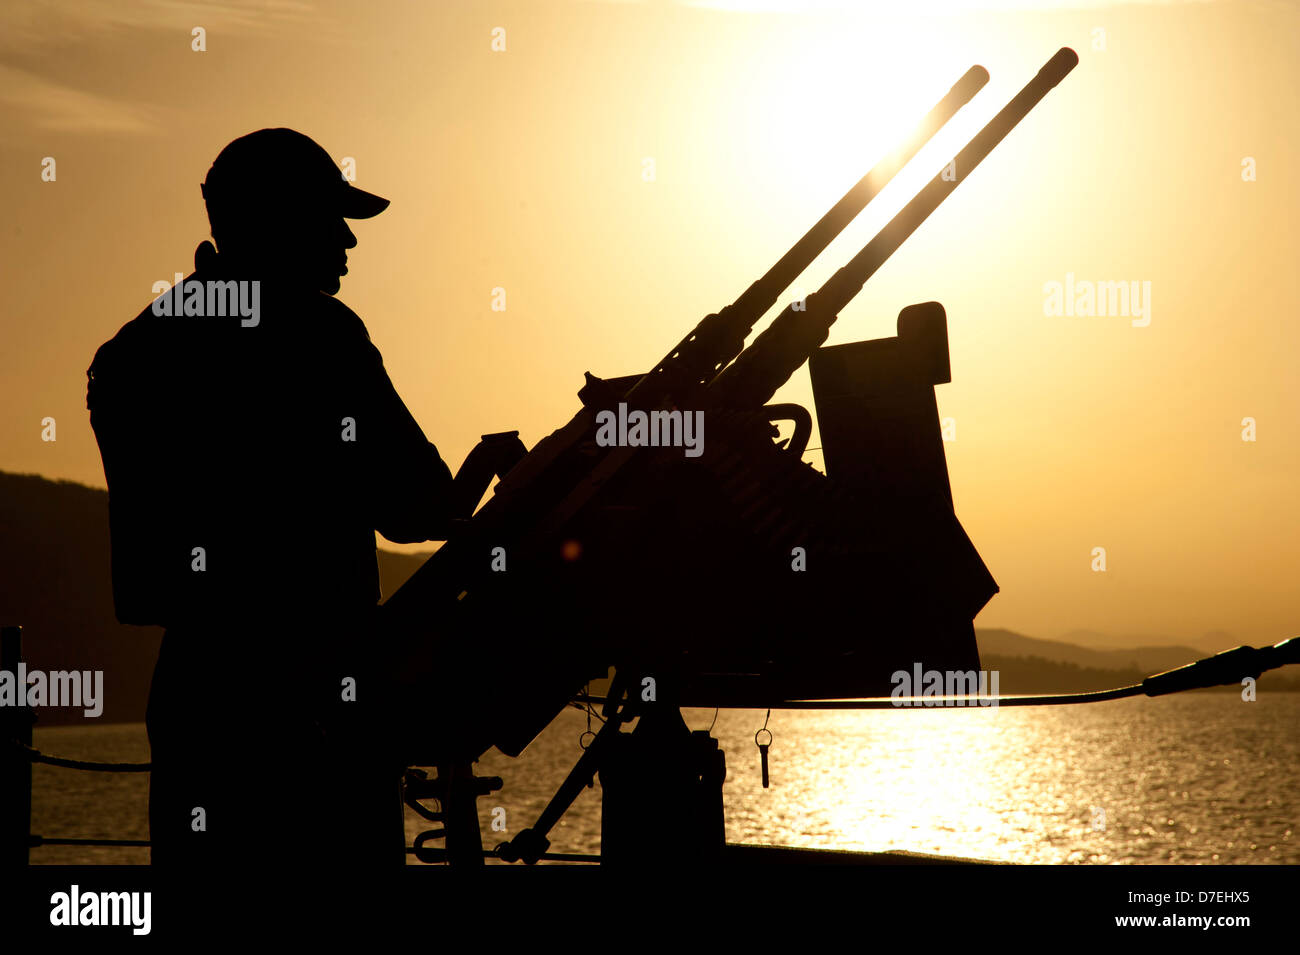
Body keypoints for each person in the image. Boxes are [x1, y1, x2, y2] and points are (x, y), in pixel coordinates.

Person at [86, 128, 524, 866]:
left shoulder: (137, 350)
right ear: (282, 220)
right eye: (332, 218)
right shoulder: (322, 336)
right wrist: (489, 472)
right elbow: (415, 505)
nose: (349, 240)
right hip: (317, 702)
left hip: (199, 695)